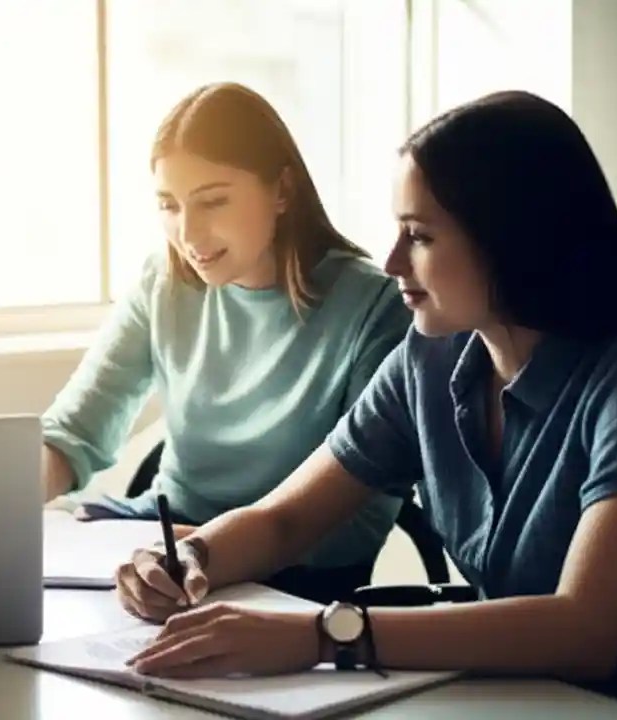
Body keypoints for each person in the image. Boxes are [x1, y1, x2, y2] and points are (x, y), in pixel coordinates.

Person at [114, 90, 617, 714]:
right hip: (512, 700)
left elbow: (586, 630)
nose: (394, 260)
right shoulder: (429, 360)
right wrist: (190, 556)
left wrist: (322, 636)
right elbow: (285, 520)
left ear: (512, 237)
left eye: (419, 236)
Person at [41, 82, 412, 603]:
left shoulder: (375, 306)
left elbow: (356, 521)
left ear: (282, 190)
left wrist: (207, 550)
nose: (188, 233)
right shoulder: (163, 283)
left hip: (292, 576)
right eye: (169, 205)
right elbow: (72, 434)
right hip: (163, 541)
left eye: (213, 201)